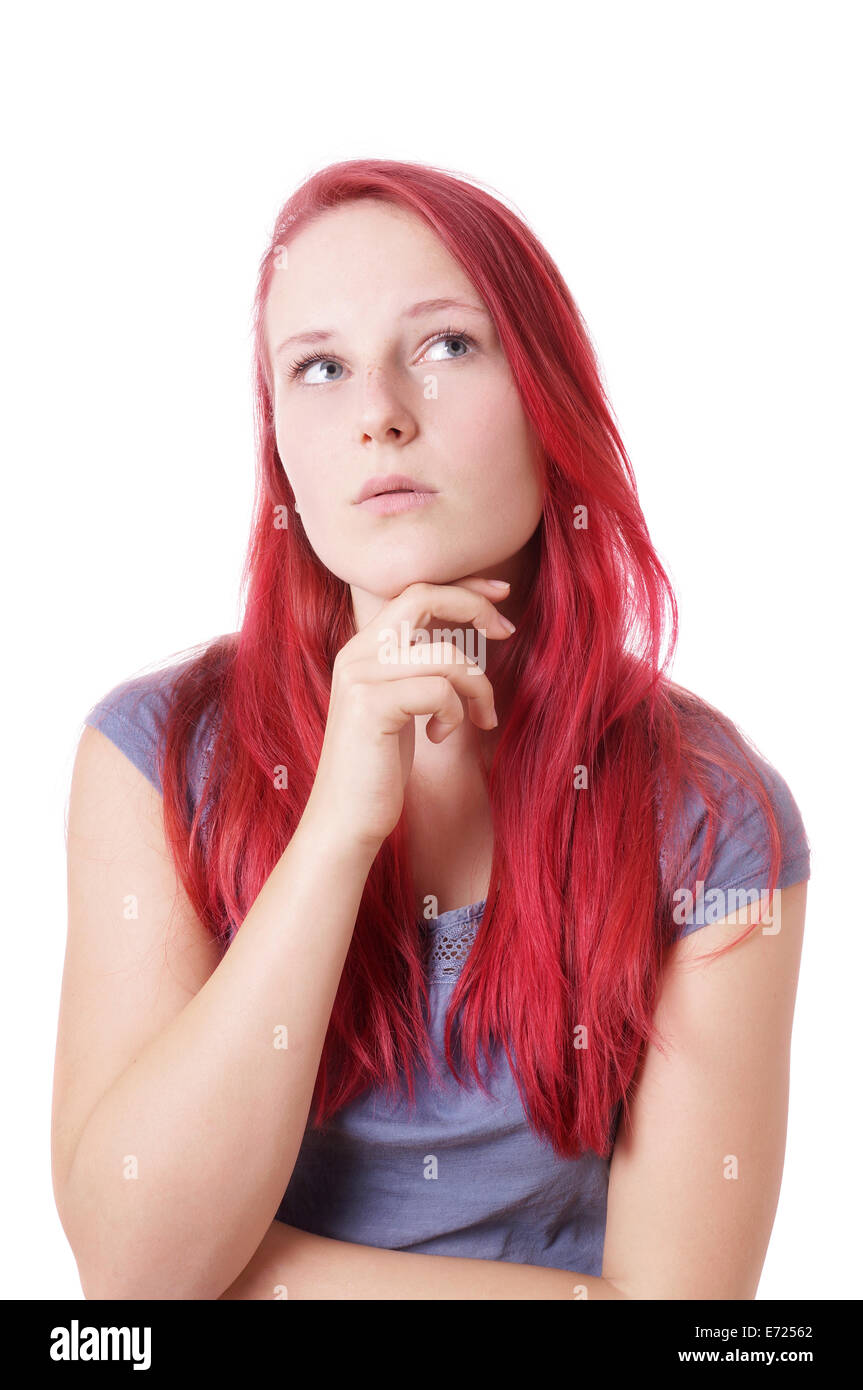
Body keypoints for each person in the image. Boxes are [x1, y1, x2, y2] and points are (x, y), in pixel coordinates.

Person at [51, 159, 810, 1301]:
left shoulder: (712, 820)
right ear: (282, 458)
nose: (379, 416)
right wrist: (337, 831)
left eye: (446, 345)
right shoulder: (153, 758)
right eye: (319, 367)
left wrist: (248, 1279)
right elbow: (131, 1277)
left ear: (547, 394)